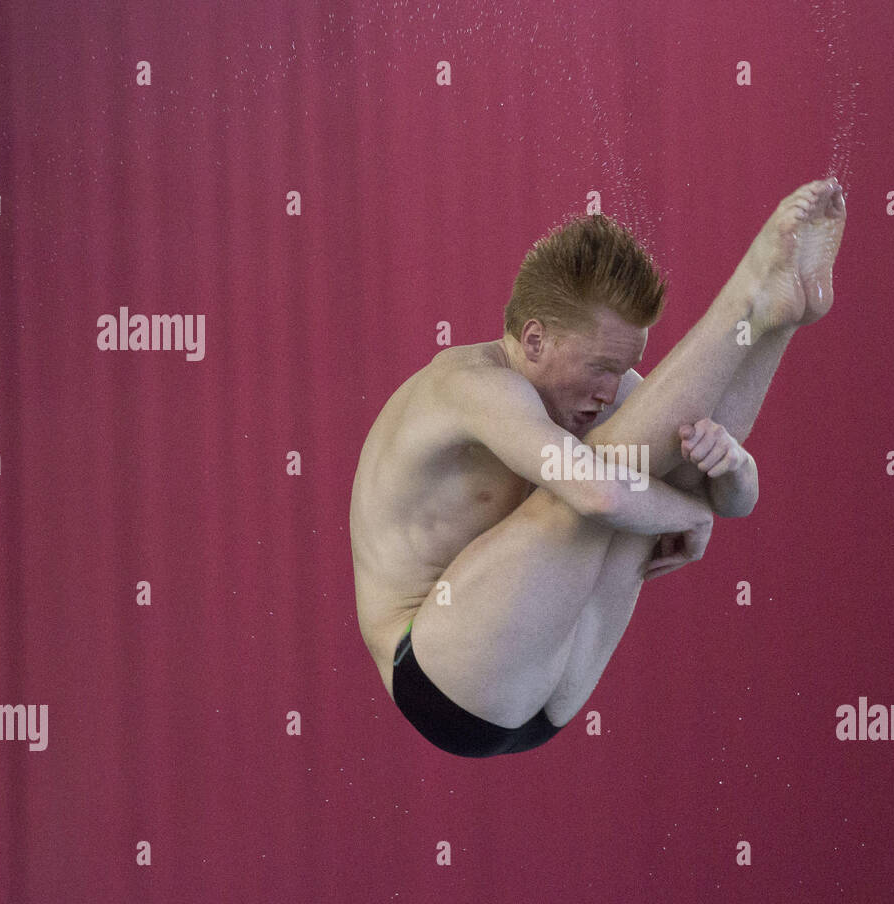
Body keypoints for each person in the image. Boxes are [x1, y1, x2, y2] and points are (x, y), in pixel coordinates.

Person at [350, 179, 847, 756]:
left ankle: (776, 320)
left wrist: (731, 475)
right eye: (601, 367)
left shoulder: (604, 393)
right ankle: (746, 294)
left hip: (552, 691)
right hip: (438, 673)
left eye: (627, 366)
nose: (613, 389)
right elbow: (601, 497)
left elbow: (727, 500)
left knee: (666, 457)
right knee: (603, 474)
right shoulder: (470, 386)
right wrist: (692, 516)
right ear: (534, 339)